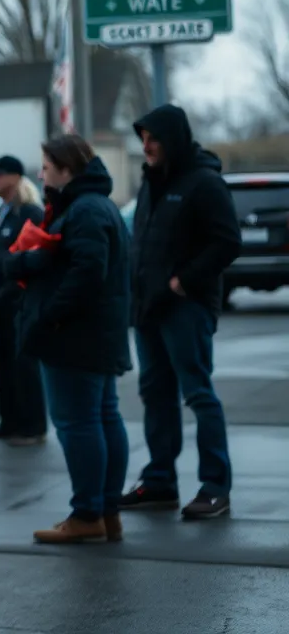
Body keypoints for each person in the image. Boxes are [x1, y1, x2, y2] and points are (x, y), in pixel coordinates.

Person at [2, 136, 131, 544]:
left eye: (45, 165)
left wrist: (49, 317)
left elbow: (87, 273)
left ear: (65, 167)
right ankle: (104, 511)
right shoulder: (93, 205)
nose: (40, 173)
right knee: (102, 417)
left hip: (75, 337)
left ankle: (88, 513)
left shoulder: (86, 209)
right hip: (91, 335)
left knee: (80, 422)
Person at [121, 104, 241, 520]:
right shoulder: (151, 183)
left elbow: (227, 242)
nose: (146, 146)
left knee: (197, 394)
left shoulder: (203, 183)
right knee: (155, 395)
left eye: (153, 139)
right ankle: (159, 482)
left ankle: (214, 486)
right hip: (148, 309)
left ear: (172, 139)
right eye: (143, 139)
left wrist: (182, 282)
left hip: (186, 308)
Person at [0, 155, 48, 446]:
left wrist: (10, 294)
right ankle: (9, 420)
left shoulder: (29, 213)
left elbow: (29, 259)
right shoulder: (2, 212)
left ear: (15, 177)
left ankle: (32, 425)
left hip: (16, 304)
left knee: (23, 366)